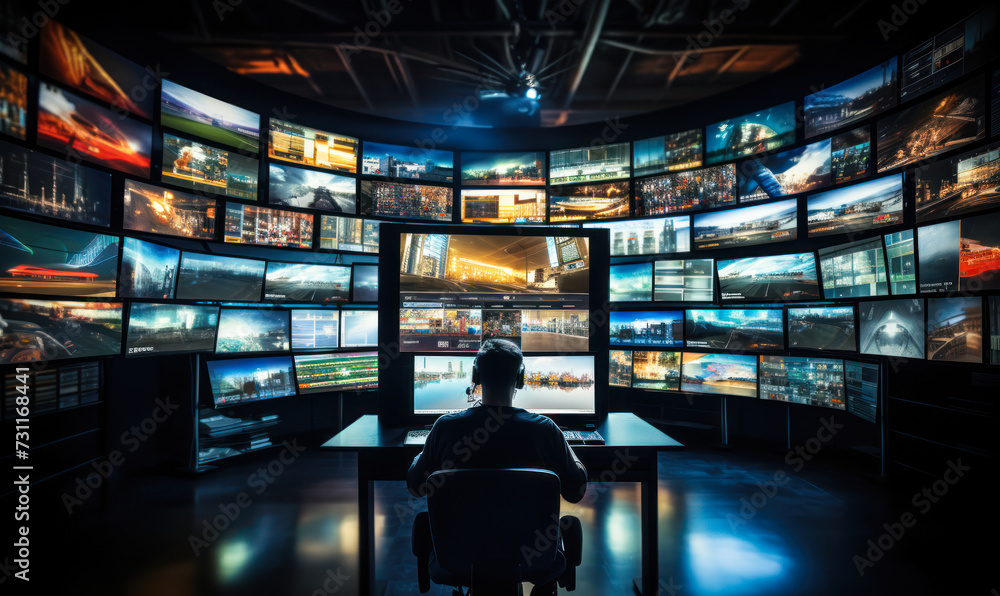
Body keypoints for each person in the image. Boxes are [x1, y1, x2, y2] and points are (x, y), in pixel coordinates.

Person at [406, 339, 588, 503]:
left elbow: (415, 487)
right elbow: (575, 492)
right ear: (520, 379)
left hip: (460, 539)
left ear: (475, 376)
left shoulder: (444, 427)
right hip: (528, 539)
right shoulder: (546, 429)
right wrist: (565, 446)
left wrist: (425, 453)